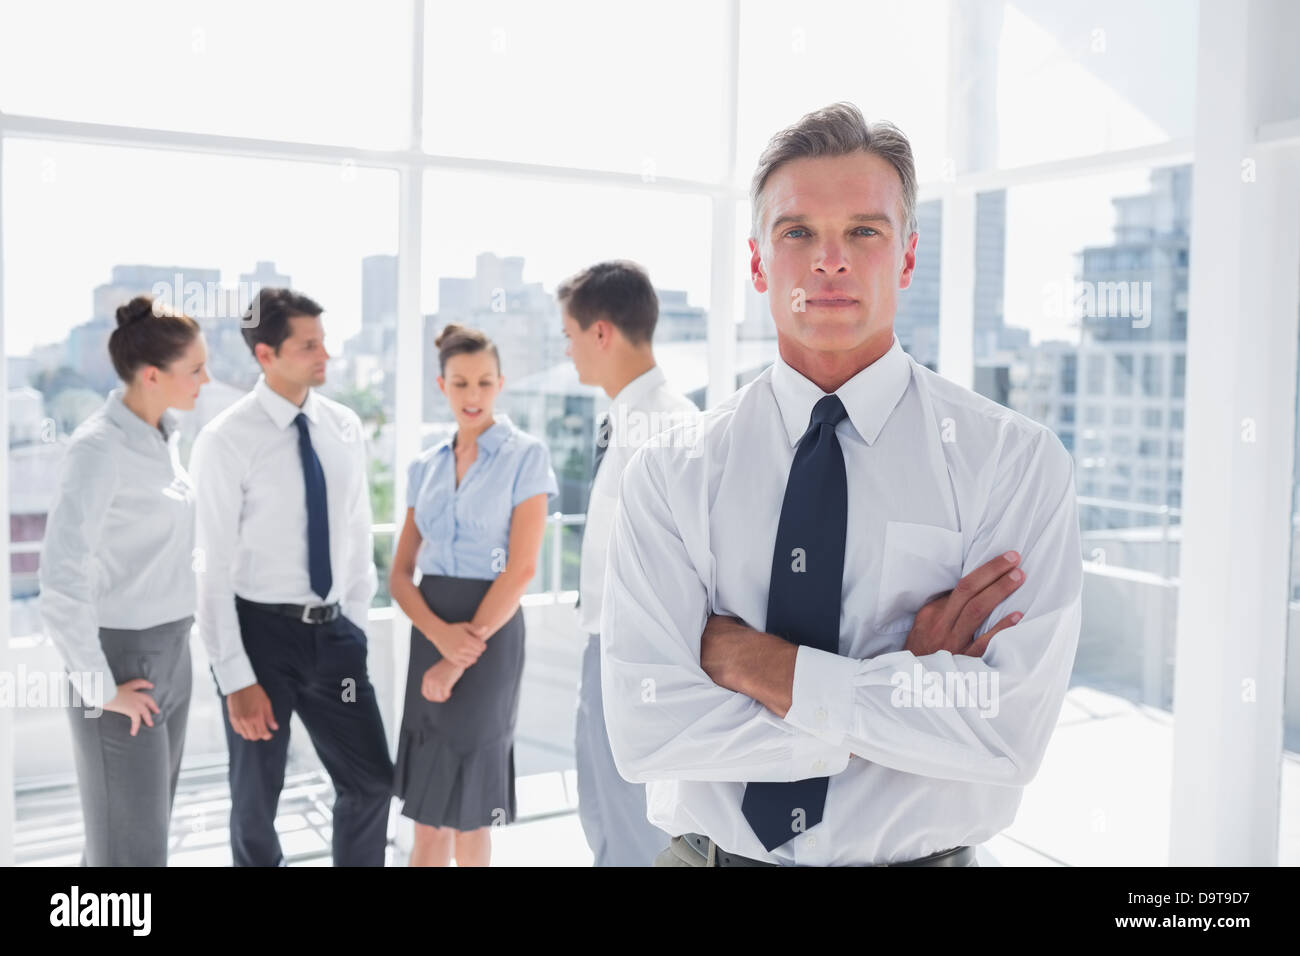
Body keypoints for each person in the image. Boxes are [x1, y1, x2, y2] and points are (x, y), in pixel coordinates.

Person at [601, 102, 1084, 867]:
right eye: (798, 232)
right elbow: (649, 729)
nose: (831, 261)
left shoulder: (1013, 462)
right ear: (760, 262)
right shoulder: (669, 472)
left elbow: (1005, 732)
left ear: (908, 258)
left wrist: (764, 666)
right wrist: (905, 683)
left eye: (864, 230)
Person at [190, 287, 393, 867]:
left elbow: (357, 534)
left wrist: (353, 628)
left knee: (373, 782)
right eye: (308, 345)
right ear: (266, 354)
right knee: (256, 806)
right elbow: (210, 566)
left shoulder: (344, 426)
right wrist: (235, 677)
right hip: (260, 639)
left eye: (323, 341)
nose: (323, 354)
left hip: (334, 640)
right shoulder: (227, 438)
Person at [39, 294, 210, 866]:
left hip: (171, 655)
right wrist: (101, 688)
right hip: (120, 664)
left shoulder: (163, 437)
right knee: (131, 857)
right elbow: (60, 576)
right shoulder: (98, 448)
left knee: (131, 842)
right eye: (196, 370)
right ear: (154, 375)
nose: (206, 379)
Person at [390, 323, 556, 867]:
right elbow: (399, 575)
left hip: (489, 634)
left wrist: (458, 658)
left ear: (501, 384)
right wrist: (439, 640)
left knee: (469, 817)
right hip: (432, 627)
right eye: (460, 383)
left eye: (485, 382)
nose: (473, 395)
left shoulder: (526, 457)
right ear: (442, 386)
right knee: (426, 817)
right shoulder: (424, 466)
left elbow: (522, 568)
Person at [558, 260, 699, 866]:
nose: (567, 353)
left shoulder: (669, 428)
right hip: (606, 645)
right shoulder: (628, 418)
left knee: (631, 822)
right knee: (601, 809)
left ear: (600, 333)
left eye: (569, 336)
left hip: (638, 656)